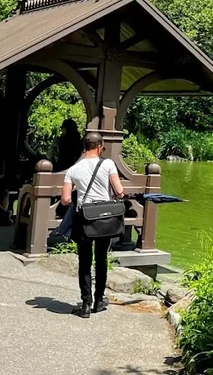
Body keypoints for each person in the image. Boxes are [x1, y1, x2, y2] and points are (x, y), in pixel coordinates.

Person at [61, 132, 127, 318]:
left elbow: (65, 200)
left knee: (84, 261)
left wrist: (77, 189)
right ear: (99, 147)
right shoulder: (107, 164)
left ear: (85, 147)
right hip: (104, 219)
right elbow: (119, 191)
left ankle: (85, 304)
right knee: (101, 259)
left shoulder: (73, 169)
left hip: (84, 218)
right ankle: (99, 300)